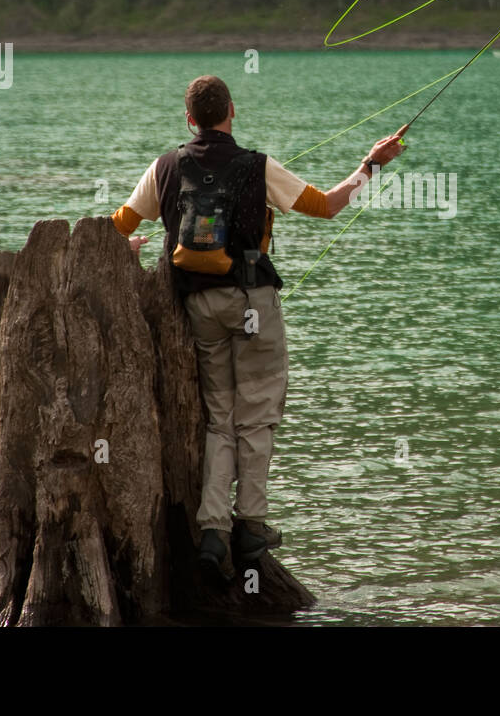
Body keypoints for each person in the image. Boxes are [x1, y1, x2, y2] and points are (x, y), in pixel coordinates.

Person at [111, 74, 406, 583]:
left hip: (198, 307)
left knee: (220, 418)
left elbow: (118, 225)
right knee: (257, 417)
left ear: (189, 119)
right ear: (232, 111)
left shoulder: (165, 166)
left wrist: (128, 248)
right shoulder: (258, 165)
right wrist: (370, 166)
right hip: (252, 302)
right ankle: (249, 525)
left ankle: (211, 533)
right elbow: (328, 206)